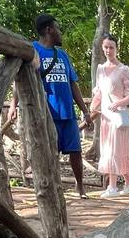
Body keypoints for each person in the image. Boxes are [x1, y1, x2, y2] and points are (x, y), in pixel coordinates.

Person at [7, 13, 91, 197]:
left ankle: (80, 186)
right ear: (48, 30)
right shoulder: (32, 50)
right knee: (49, 152)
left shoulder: (62, 55)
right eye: (57, 28)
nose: (60, 32)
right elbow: (19, 80)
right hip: (46, 113)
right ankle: (53, 187)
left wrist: (85, 111)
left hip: (67, 112)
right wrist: (13, 105)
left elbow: (73, 83)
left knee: (75, 150)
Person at [88, 34, 129, 196]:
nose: (108, 50)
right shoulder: (100, 69)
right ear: (102, 48)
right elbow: (99, 93)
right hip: (105, 117)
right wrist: (92, 109)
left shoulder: (123, 69)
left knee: (117, 150)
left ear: (116, 49)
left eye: (111, 47)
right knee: (108, 149)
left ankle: (113, 187)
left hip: (118, 116)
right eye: (106, 47)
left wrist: (117, 103)